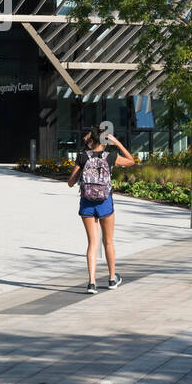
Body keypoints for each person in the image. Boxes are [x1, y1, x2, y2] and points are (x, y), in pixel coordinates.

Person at [67, 125, 136, 293]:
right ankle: (112, 279)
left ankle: (91, 283)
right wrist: (118, 143)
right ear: (104, 140)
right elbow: (131, 161)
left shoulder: (83, 157)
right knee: (108, 241)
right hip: (105, 202)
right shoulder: (110, 156)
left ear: (92, 140)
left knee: (92, 243)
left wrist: (80, 175)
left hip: (87, 203)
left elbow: (70, 182)